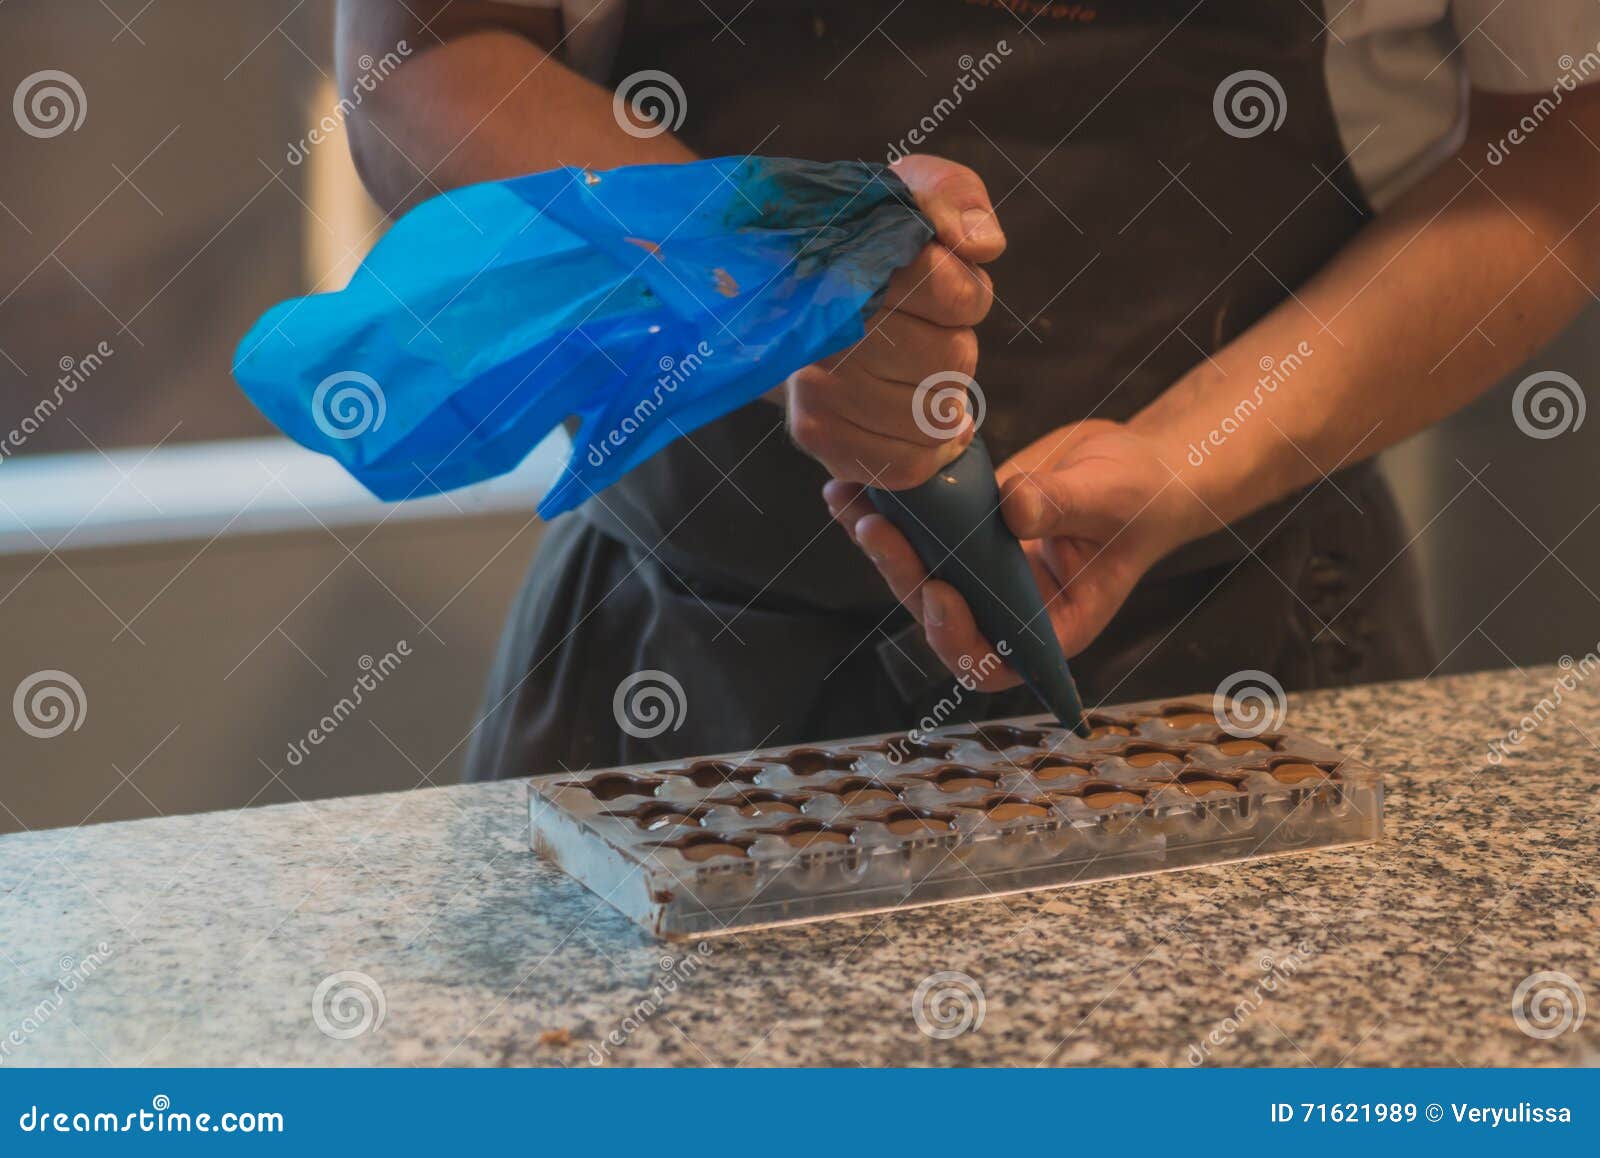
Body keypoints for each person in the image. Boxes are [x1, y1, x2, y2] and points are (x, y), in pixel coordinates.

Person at [336, 0, 1600, 778]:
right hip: (676, 666)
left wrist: (1184, 459)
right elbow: (421, 54)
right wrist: (769, 280)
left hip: (1261, 649)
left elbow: (1562, 139)